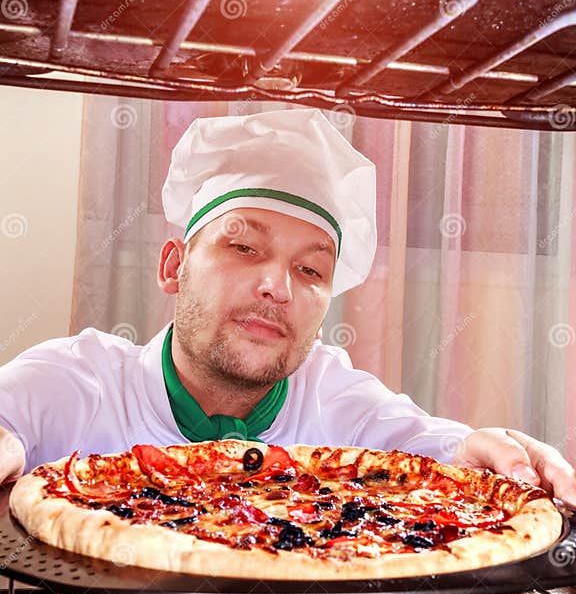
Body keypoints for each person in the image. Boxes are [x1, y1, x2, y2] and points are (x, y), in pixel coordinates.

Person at [0, 108, 574, 507]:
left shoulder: (340, 403)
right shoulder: (74, 381)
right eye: (243, 246)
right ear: (174, 265)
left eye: (310, 270)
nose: (277, 285)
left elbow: (439, 448)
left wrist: (489, 453)